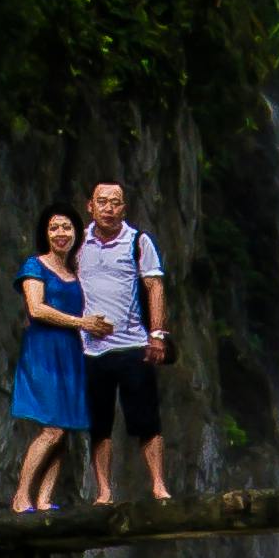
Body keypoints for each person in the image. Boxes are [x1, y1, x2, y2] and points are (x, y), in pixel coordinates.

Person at [70, 178, 172, 512]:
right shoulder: (78, 243)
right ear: (90, 205)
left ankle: (158, 484)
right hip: (91, 348)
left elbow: (154, 286)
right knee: (99, 422)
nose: (109, 209)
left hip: (132, 343)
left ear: (124, 208)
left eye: (115, 203)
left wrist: (157, 334)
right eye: (103, 202)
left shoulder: (138, 242)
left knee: (146, 419)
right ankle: (103, 491)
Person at [9, 210, 92, 515]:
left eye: (66, 227)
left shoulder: (77, 273)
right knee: (52, 429)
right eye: (54, 228)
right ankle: (21, 496)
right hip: (43, 350)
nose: (60, 233)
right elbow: (36, 309)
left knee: (65, 428)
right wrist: (80, 322)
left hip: (70, 351)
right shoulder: (35, 265)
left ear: (75, 232)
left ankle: (44, 498)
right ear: (46, 234)